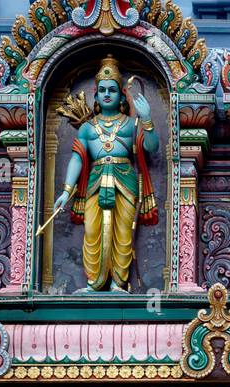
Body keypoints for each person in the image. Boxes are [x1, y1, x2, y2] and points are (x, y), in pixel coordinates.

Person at [51, 56, 158, 292]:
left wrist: (147, 119)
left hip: (125, 181)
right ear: (96, 96)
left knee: (122, 231)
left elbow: (151, 147)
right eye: (102, 90)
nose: (107, 94)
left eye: (112, 90)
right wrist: (66, 191)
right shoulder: (88, 128)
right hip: (95, 182)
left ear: (121, 95)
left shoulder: (131, 124)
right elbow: (78, 158)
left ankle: (118, 283)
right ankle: (94, 282)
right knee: (92, 231)